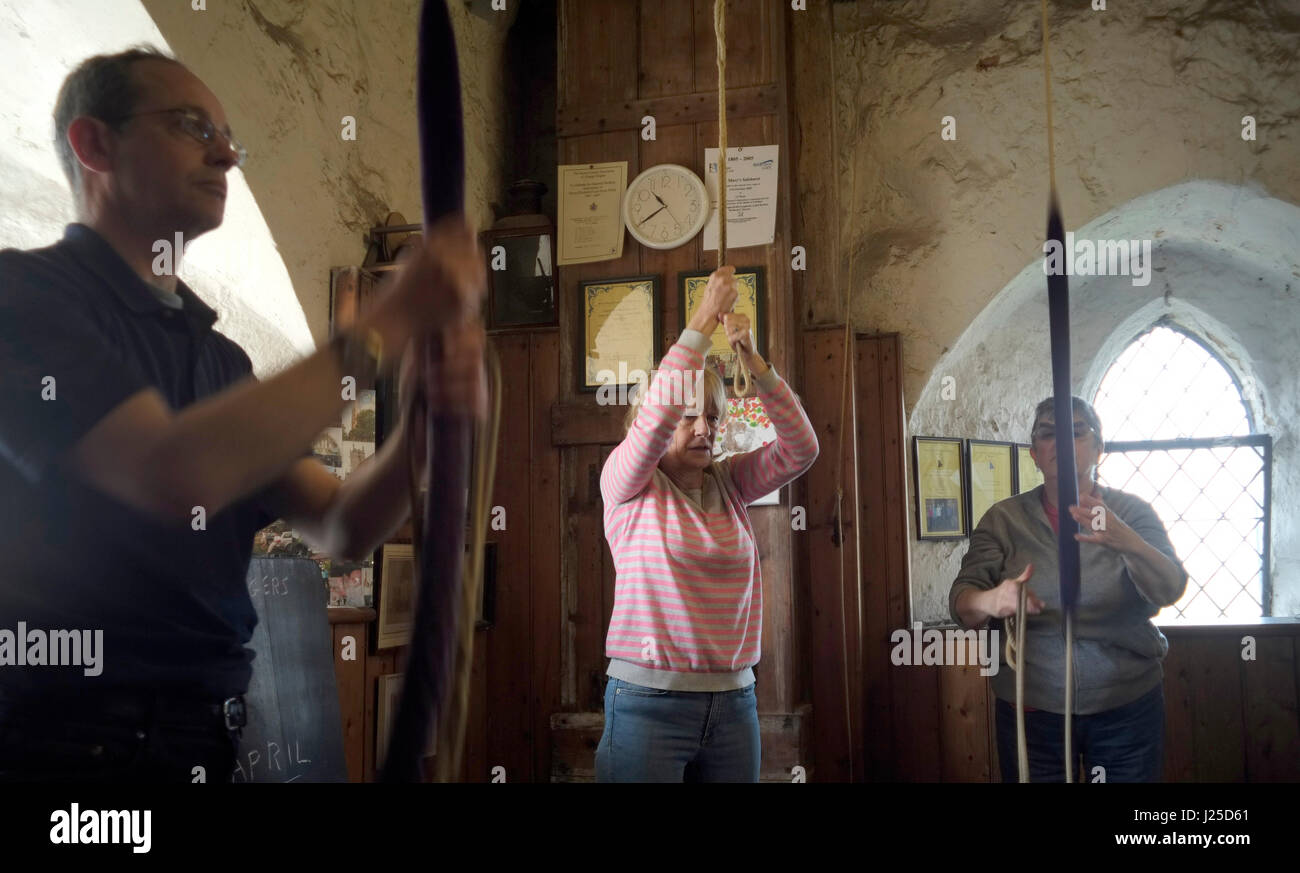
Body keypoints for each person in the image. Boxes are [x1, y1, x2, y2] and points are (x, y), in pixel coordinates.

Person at [0, 46, 486, 782]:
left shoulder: (218, 359)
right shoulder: (24, 298)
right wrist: (388, 324)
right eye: (193, 125)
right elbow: (172, 476)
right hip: (66, 746)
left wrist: (427, 424)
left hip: (203, 737)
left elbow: (341, 523)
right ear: (94, 142)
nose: (226, 154)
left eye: (231, 136)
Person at [595, 266, 820, 782]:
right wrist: (702, 318)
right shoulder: (627, 482)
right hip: (646, 702)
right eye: (689, 416)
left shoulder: (731, 483)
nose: (704, 428)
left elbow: (802, 449)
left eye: (713, 417)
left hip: (734, 702)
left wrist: (754, 362)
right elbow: (655, 421)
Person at [949, 396, 1188, 782]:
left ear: (1098, 448)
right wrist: (994, 600)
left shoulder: (1131, 513)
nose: (1060, 443)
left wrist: (1126, 540)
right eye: (1048, 434)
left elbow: (1170, 588)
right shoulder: (1004, 520)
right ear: (1034, 454)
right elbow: (962, 603)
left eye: (1076, 432)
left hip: (1124, 707)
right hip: (1033, 712)